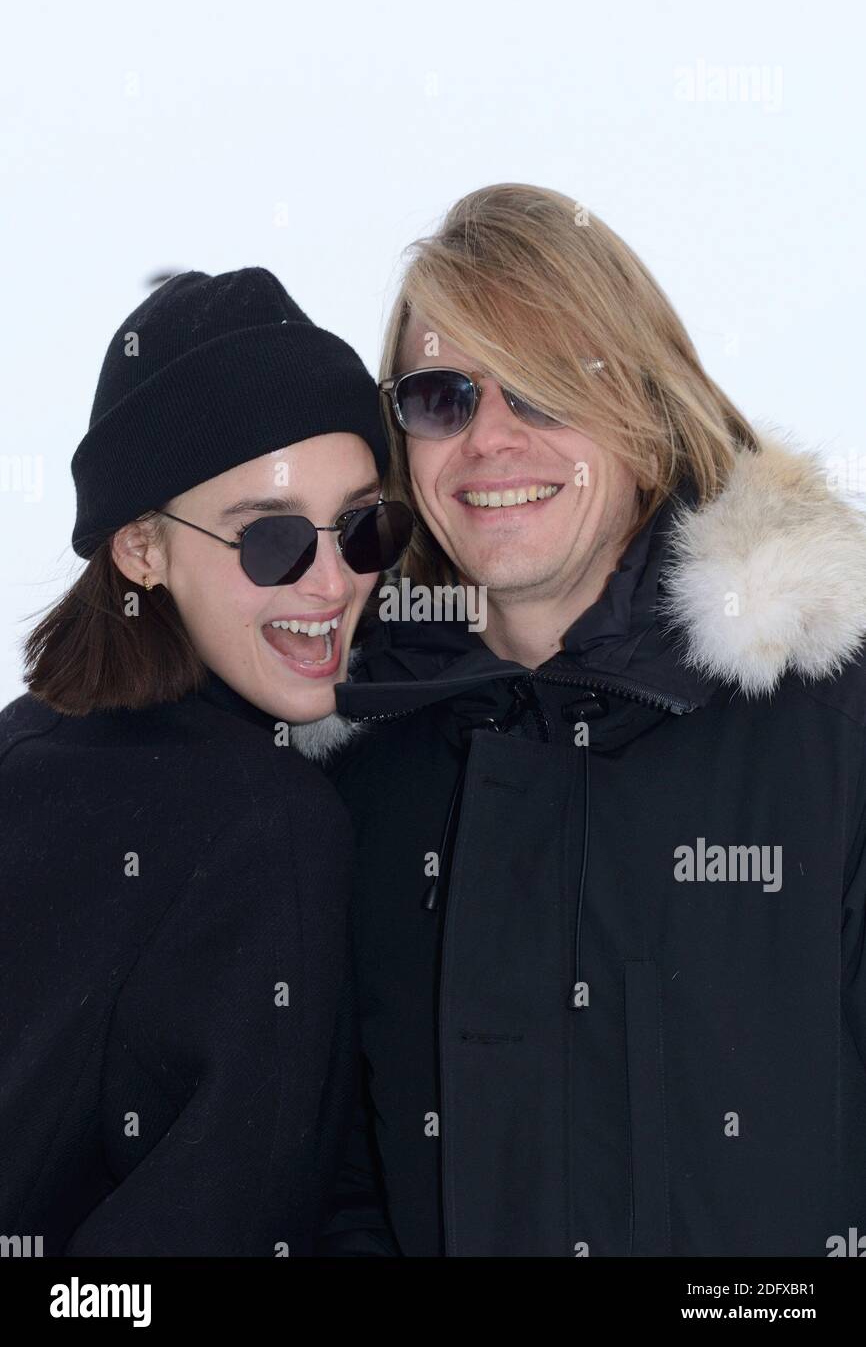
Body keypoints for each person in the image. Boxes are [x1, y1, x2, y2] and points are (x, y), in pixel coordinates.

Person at [322, 183, 866, 1257]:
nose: (488, 440)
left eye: (540, 389)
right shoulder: (354, 761)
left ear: (645, 406)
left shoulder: (828, 725)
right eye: (441, 397)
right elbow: (331, 1180)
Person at [0, 267, 412, 1256]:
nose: (329, 580)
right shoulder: (270, 823)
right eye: (266, 539)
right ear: (140, 547)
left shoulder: (24, 748)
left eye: (363, 525)